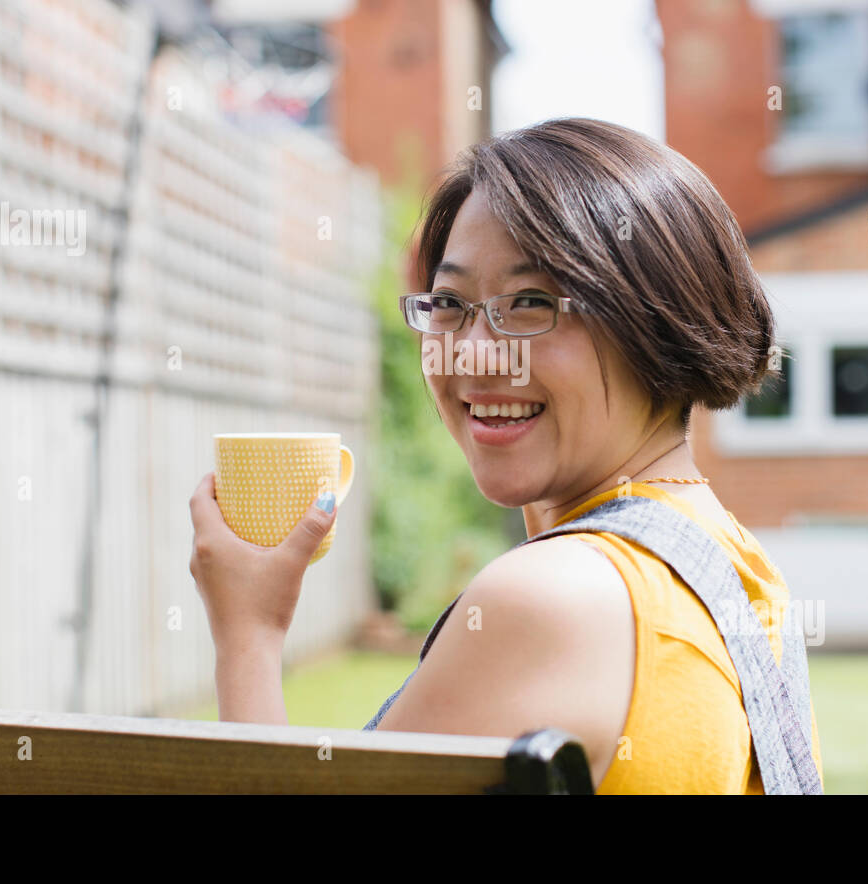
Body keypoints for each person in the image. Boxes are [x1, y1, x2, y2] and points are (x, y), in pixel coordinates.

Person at [188, 116, 823, 793]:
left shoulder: (549, 598)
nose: (473, 354)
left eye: (531, 303)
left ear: (657, 321)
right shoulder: (730, 562)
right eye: (450, 303)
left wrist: (248, 638)